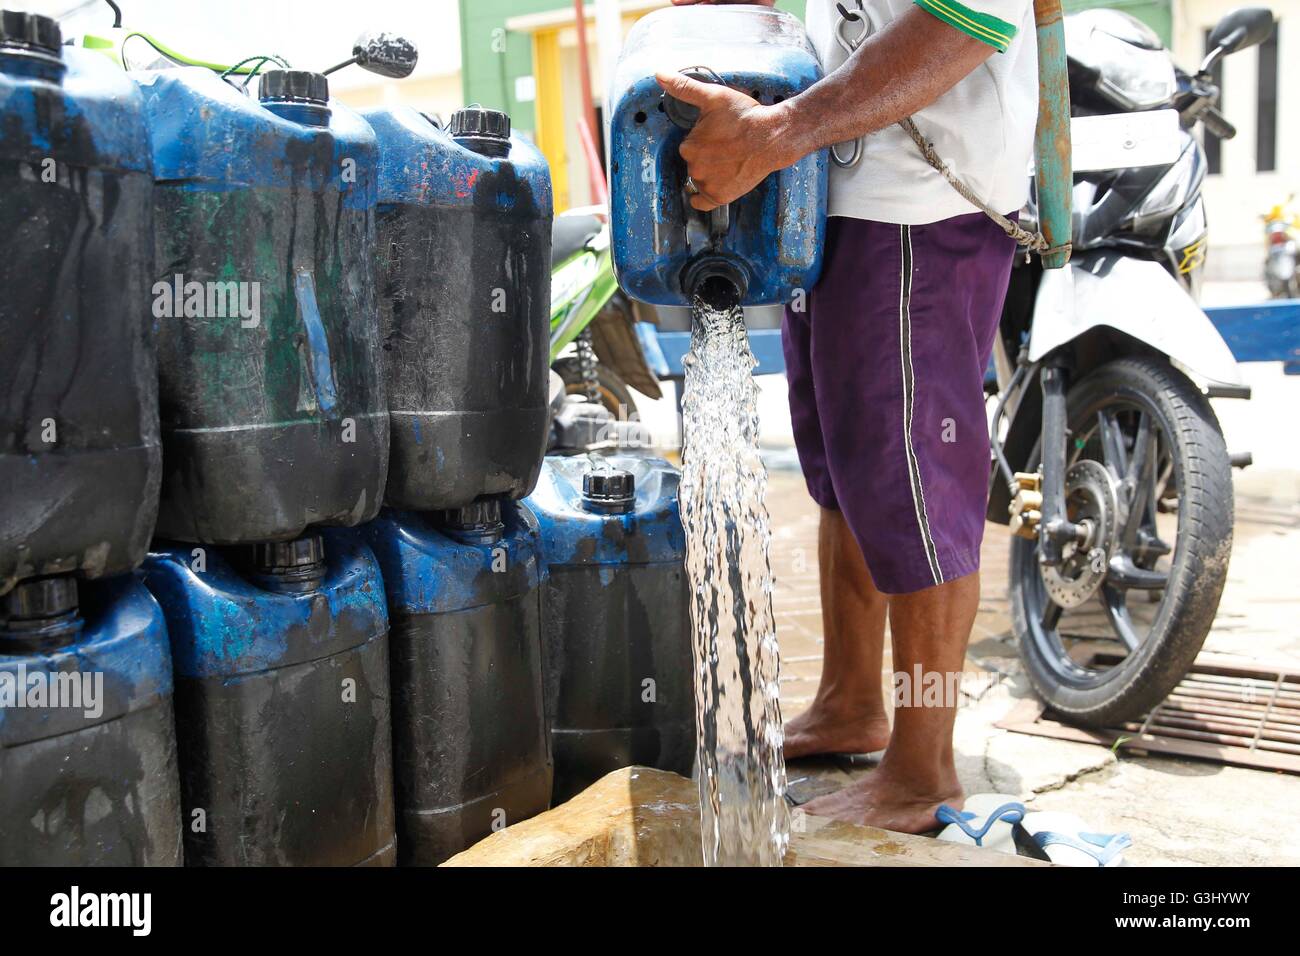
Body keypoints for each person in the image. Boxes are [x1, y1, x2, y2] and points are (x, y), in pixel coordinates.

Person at [660, 0, 1036, 833]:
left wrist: (778, 132)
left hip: (921, 212)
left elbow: (966, 23)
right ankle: (852, 701)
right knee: (848, 473)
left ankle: (924, 764)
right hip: (833, 197)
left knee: (918, 499)